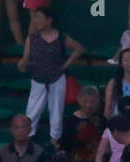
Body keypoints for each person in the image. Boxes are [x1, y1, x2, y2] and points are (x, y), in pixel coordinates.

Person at [19, 6, 83, 143]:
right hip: (37, 79)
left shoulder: (61, 37)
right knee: (32, 111)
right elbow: (25, 59)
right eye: (35, 17)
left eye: (39, 17)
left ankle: (55, 141)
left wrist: (65, 65)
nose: (36, 21)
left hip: (57, 79)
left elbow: (78, 49)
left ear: (49, 20)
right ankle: (27, 139)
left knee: (56, 112)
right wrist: (22, 65)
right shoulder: (32, 38)